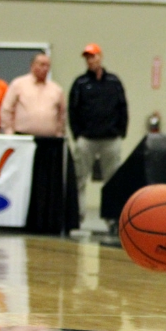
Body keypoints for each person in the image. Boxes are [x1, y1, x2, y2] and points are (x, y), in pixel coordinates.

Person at [69, 43, 129, 221]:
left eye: (93, 56)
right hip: (87, 139)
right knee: (80, 177)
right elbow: (73, 110)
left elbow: (122, 107)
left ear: (100, 57)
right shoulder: (80, 83)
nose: (90, 60)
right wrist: (78, 134)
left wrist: (121, 132)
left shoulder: (113, 81)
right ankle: (77, 215)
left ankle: (111, 217)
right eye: (87, 57)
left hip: (110, 139)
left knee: (111, 180)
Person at [0, 53, 66, 137]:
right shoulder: (18, 84)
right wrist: (9, 132)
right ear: (32, 65)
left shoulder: (56, 89)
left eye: (48, 66)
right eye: (42, 65)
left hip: (48, 139)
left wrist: (59, 133)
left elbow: (62, 114)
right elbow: (6, 109)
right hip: (23, 138)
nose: (45, 68)